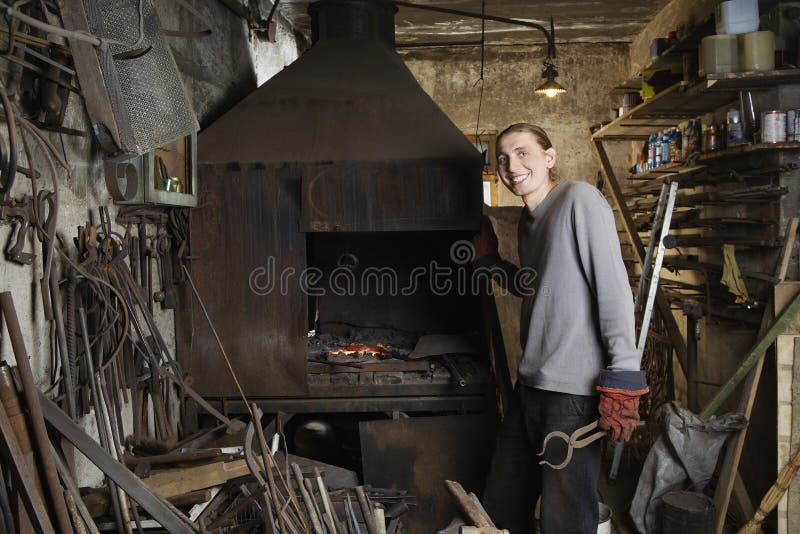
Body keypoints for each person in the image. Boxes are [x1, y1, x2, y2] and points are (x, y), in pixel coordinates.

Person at [474, 123, 648, 533]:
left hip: (573, 395)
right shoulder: (529, 220)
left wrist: (623, 378)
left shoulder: (579, 200)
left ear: (548, 158)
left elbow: (614, 291)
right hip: (531, 384)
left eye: (522, 153)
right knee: (501, 504)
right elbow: (538, 286)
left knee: (564, 518)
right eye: (502, 158)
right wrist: (491, 264)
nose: (511, 165)